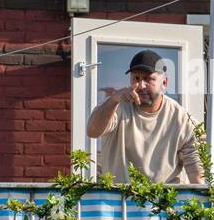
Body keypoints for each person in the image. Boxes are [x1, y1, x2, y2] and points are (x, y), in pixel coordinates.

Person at [86, 49, 204, 184]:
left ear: (164, 83)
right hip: (119, 201)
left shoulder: (181, 119)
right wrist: (113, 100)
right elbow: (92, 131)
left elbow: (197, 173)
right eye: (136, 78)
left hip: (163, 201)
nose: (141, 85)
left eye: (149, 79)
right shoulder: (116, 107)